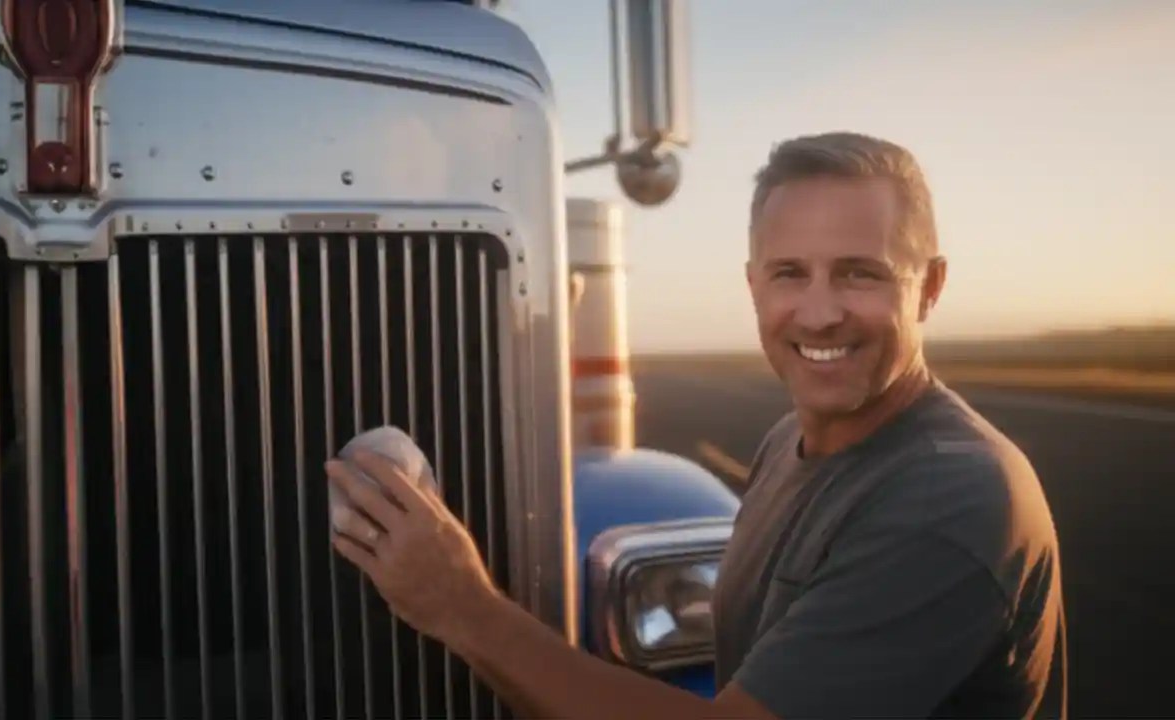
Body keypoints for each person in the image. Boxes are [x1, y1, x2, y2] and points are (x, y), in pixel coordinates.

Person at [325, 131, 1065, 719]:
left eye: (859, 273)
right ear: (753, 285)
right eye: (789, 274)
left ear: (928, 287)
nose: (818, 312)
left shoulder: (952, 496)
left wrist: (463, 607)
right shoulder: (790, 441)